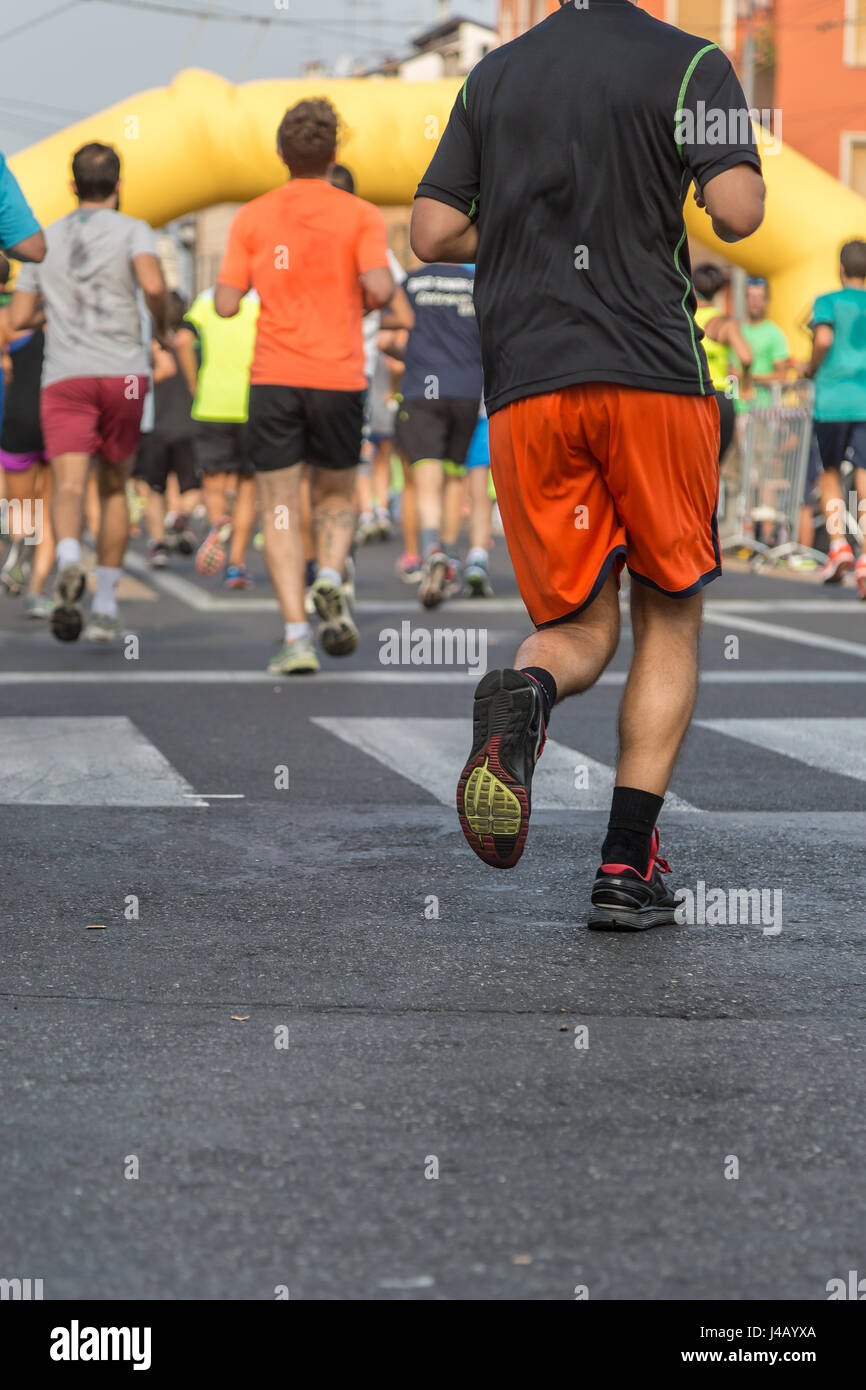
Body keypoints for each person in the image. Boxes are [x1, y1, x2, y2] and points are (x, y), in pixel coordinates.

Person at [412, 0, 764, 928]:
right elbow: (736, 212)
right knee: (670, 616)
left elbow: (432, 232)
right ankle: (623, 865)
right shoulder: (696, 65)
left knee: (573, 625)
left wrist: (526, 238)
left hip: (529, 386)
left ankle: (526, 692)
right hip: (651, 374)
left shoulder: (493, 75)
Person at [215, 98, 393, 674]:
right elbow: (383, 289)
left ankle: (295, 636)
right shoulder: (360, 213)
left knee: (281, 509)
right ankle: (330, 575)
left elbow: (223, 303)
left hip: (274, 377)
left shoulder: (254, 216)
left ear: (280, 153)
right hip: (339, 376)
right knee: (337, 496)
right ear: (334, 152)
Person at [10, 142, 169, 643]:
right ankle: (103, 607)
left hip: (65, 375)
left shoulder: (46, 238)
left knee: (69, 484)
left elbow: (16, 320)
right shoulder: (134, 230)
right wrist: (163, 325)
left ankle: (69, 559)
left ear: (72, 185)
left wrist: (52, 309)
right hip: (122, 373)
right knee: (114, 486)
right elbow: (154, 286)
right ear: (119, 185)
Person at [392, 261, 483, 608]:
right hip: (465, 387)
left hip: (423, 387)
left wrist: (411, 355)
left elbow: (390, 332)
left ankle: (431, 550)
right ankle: (449, 553)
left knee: (426, 477)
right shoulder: (474, 281)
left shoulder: (413, 282)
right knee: (454, 474)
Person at [184, 284, 259, 589]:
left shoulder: (205, 298)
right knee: (248, 487)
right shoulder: (261, 301)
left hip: (212, 401)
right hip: (252, 402)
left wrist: (194, 384)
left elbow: (181, 338)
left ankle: (218, 522)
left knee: (213, 481)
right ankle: (236, 565)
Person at [805, 239, 866, 597]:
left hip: (831, 400)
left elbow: (824, 338)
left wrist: (812, 368)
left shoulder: (826, 301)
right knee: (864, 473)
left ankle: (839, 545)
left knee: (829, 472)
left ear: (841, 268)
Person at [133, 291, 200, 568]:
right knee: (191, 485)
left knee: (154, 487)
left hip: (154, 424)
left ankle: (158, 544)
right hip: (185, 422)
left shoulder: (147, 339)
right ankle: (179, 516)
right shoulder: (190, 337)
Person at [0, 286, 54, 615]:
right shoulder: (65, 325)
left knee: (22, 504)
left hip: (18, 418)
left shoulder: (7, 321)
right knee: (47, 508)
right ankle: (37, 592)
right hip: (55, 419)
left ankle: (18, 547)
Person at [692, 263, 753, 461]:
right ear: (719, 290)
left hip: (691, 396)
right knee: (714, 468)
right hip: (720, 399)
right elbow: (746, 356)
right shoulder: (723, 323)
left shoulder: (684, 318)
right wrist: (745, 384)